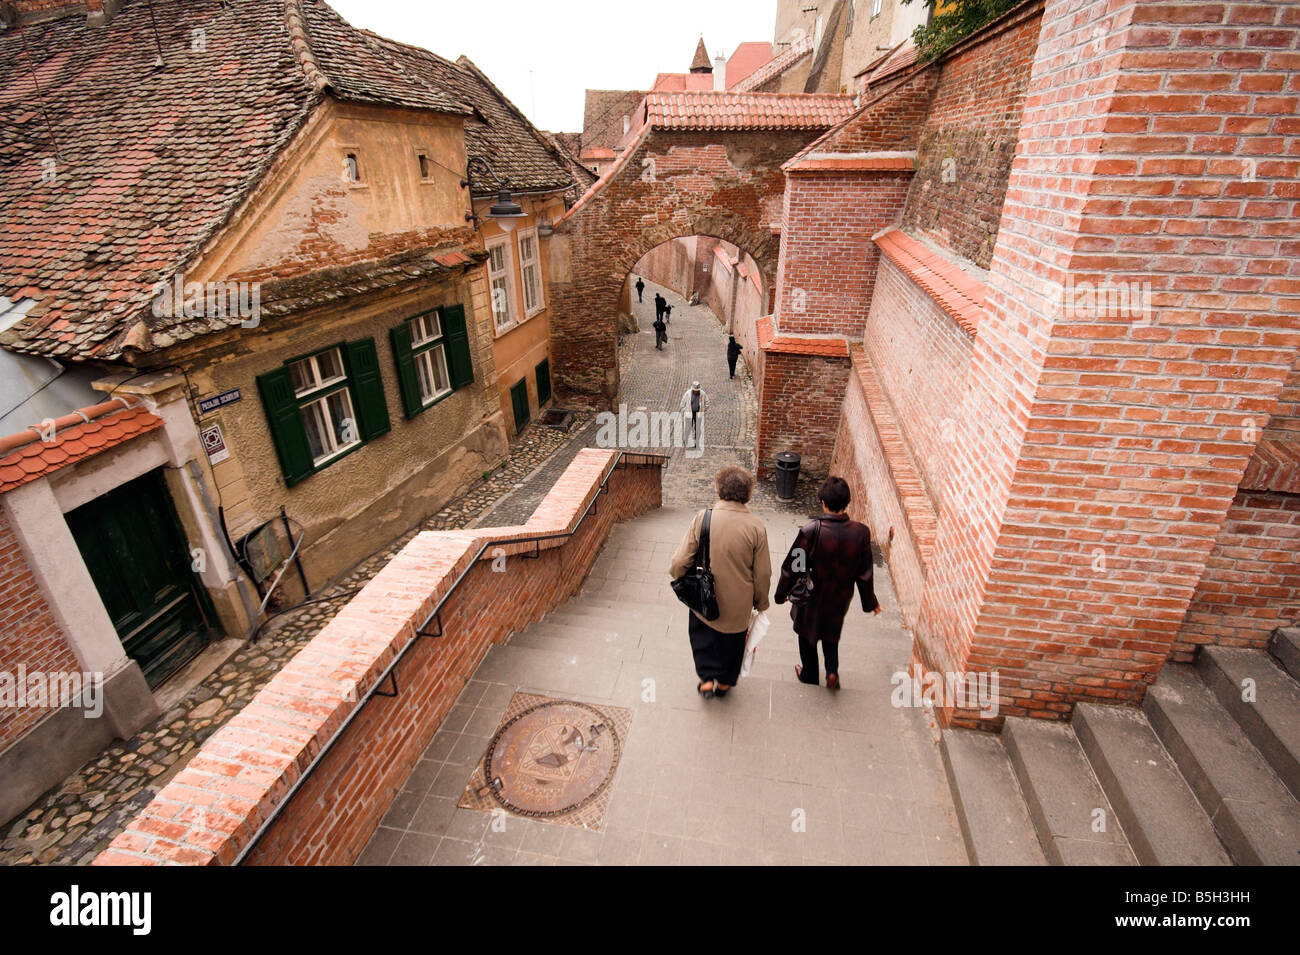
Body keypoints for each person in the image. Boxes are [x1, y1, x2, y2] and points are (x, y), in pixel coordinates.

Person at [670, 466, 771, 698]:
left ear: (719, 491)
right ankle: (724, 683)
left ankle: (706, 680)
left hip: (705, 598)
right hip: (739, 605)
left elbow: (679, 561)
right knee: (733, 645)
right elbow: (763, 573)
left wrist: (679, 576)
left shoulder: (703, 518)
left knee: (703, 638)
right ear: (748, 494)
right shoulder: (756, 527)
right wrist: (761, 601)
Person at [774, 476, 881, 690]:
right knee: (831, 632)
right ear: (847, 503)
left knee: (806, 634)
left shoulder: (811, 531)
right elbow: (865, 573)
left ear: (823, 502)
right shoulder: (861, 532)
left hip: (812, 596)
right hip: (840, 595)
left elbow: (793, 567)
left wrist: (781, 593)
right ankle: (832, 672)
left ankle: (809, 673)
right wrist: (870, 602)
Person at [679, 381, 708, 448]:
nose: (696, 392)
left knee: (697, 428)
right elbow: (682, 404)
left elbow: (707, 402)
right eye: (695, 390)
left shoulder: (702, 394)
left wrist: (703, 410)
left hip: (698, 413)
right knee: (688, 428)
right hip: (689, 413)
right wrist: (685, 411)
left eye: (697, 390)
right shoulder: (688, 393)